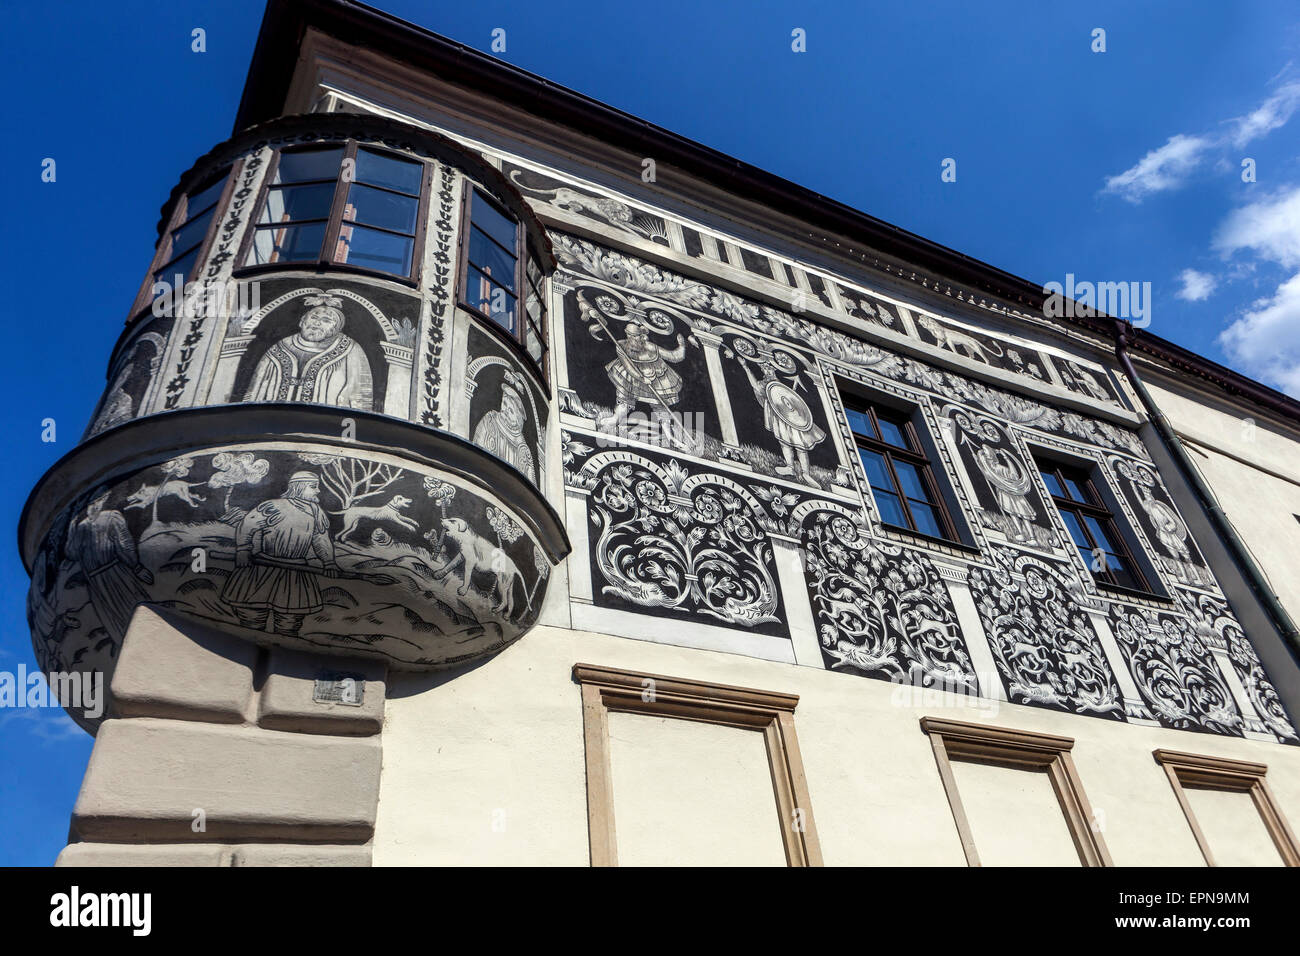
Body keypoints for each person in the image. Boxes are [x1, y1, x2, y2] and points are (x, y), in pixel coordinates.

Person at [221, 472, 339, 636]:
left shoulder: (316, 512)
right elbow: (248, 525)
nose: (318, 491)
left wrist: (329, 562)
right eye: (313, 486)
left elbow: (321, 540)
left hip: (296, 572)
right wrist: (243, 550)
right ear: (299, 487)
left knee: (290, 621)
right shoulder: (273, 506)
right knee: (252, 616)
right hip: (262, 568)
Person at [245, 296, 372, 408]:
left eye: (326, 320)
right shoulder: (279, 347)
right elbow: (254, 389)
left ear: (336, 328)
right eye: (314, 317)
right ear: (302, 321)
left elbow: (360, 394)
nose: (317, 323)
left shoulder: (350, 349)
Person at [67, 491, 153, 643]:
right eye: (91, 503)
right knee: (113, 619)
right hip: (95, 581)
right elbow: (72, 553)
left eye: (97, 501)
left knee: (135, 611)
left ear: (103, 501)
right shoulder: (81, 526)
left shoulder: (112, 517)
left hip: (116, 574)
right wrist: (71, 530)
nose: (93, 506)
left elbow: (124, 543)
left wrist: (136, 567)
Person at [597, 320, 686, 431]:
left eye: (635, 336)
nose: (631, 338)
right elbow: (628, 366)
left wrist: (682, 346)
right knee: (624, 400)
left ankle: (669, 435)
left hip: (654, 377)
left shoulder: (650, 347)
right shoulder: (621, 345)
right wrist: (641, 378)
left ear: (641, 336)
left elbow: (674, 356)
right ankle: (615, 420)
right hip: (632, 377)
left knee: (660, 405)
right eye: (629, 334)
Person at [472, 376, 536, 482]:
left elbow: (530, 484)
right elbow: (476, 452)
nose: (505, 410)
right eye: (504, 404)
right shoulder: (490, 421)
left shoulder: (524, 450)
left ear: (518, 419)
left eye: (511, 411)